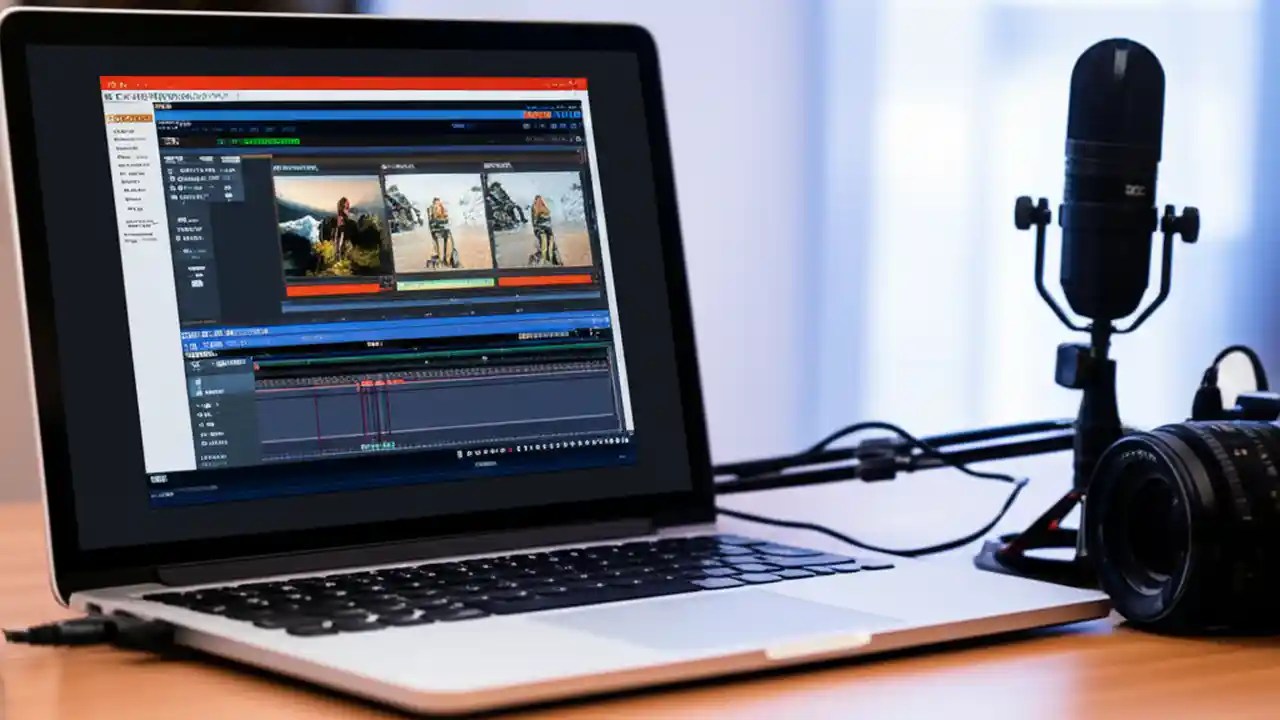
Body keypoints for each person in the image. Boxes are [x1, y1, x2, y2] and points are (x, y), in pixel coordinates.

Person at [530, 194, 560, 266]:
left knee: (550, 246)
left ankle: (551, 261)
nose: (539, 201)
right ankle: (544, 262)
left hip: (548, 229)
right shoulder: (535, 208)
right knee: (544, 246)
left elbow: (548, 219)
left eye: (540, 199)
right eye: (537, 200)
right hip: (541, 229)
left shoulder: (545, 208)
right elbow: (534, 220)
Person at [427, 197, 456, 268]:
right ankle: (446, 260)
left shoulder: (431, 208)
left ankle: (441, 259)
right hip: (440, 228)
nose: (437, 203)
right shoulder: (438, 207)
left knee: (437, 243)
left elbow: (431, 220)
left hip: (436, 228)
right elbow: (445, 217)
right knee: (447, 241)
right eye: (437, 202)